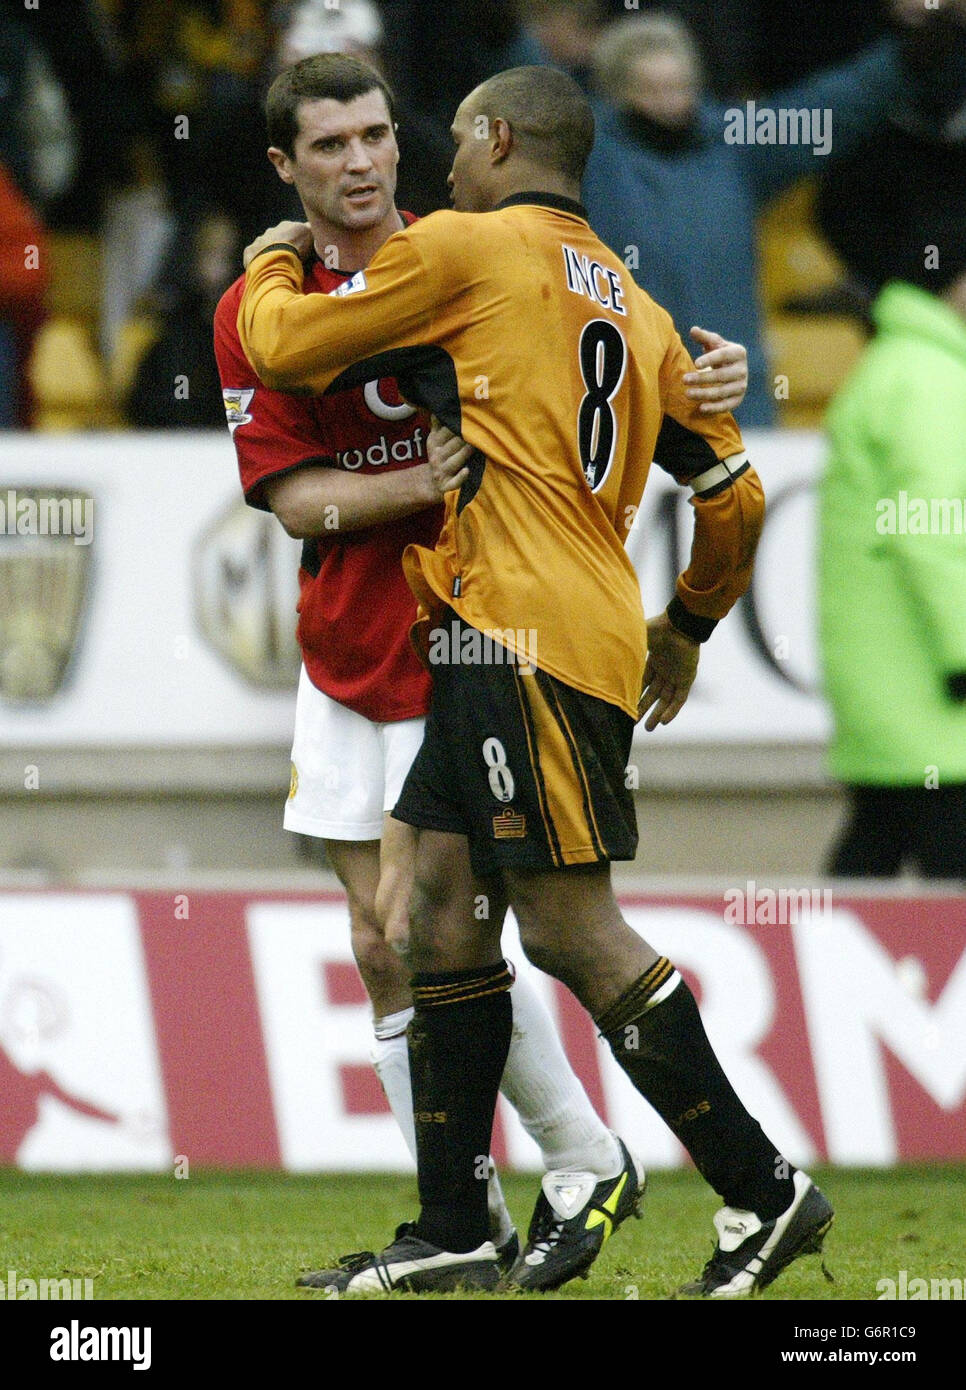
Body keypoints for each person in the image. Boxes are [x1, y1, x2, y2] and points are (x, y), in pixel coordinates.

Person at [237, 63, 834, 1297]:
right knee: (435, 909)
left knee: (568, 925)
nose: (434, 163)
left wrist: (279, 258)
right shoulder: (633, 299)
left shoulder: (467, 246)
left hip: (525, 640)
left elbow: (278, 342)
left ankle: (764, 1191)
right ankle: (455, 1219)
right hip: (522, 631)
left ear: (499, 140)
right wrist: (687, 625)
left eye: (451, 141)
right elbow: (732, 490)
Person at [582, 12, 902, 424]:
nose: (670, 104)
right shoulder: (590, 157)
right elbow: (515, 97)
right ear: (615, 93)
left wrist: (906, 57)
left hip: (734, 402)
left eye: (680, 88)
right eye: (651, 91)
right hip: (624, 399)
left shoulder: (731, 144)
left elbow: (829, 107)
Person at [818, 189, 966, 880]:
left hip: (894, 690)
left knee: (871, 860)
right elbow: (931, 533)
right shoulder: (931, 381)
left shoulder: (900, 368)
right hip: (932, 696)